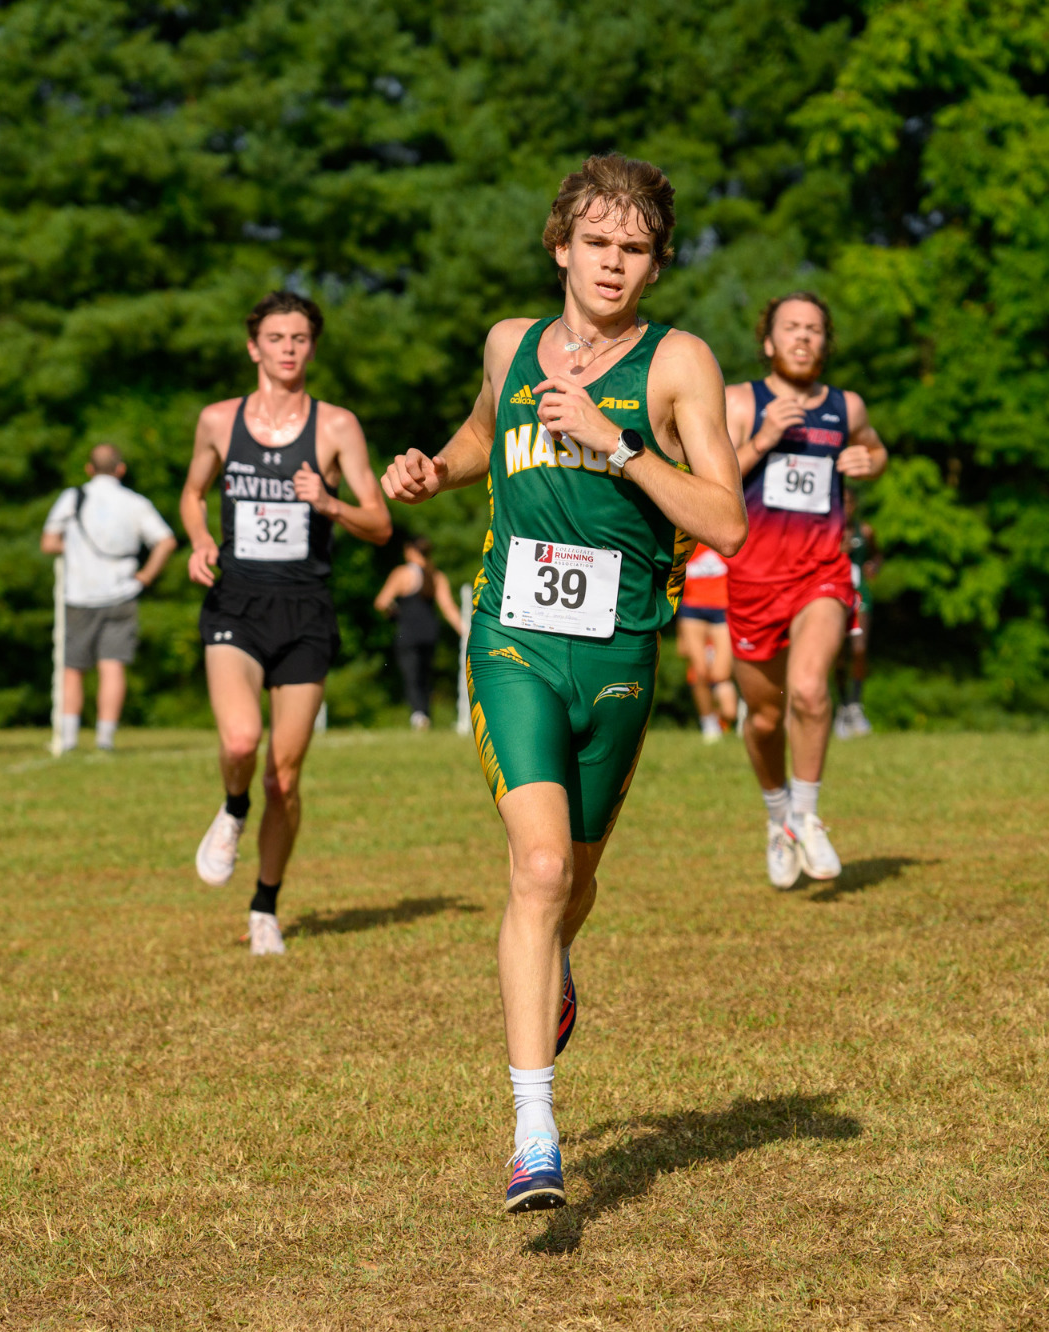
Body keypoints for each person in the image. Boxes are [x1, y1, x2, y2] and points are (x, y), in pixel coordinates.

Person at [380, 154, 747, 1214]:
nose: (613, 264)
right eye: (595, 243)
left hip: (621, 653)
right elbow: (481, 428)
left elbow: (722, 522)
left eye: (633, 249)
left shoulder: (678, 367)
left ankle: (551, 967)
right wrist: (430, 470)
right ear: (559, 246)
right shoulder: (511, 344)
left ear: (656, 262)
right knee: (536, 869)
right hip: (512, 639)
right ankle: (533, 1129)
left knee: (569, 887)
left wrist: (616, 442)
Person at [180, 291, 392, 956]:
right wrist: (197, 541)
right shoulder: (218, 420)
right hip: (236, 603)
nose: (289, 349)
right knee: (243, 742)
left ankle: (265, 904)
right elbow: (193, 493)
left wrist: (326, 502)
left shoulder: (336, 428)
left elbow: (380, 523)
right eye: (276, 338)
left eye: (300, 338)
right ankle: (233, 809)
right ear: (254, 347)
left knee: (285, 775)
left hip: (305, 611)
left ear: (312, 348)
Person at [724, 293, 887, 887]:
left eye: (815, 330)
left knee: (812, 690)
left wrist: (871, 461)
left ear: (826, 343)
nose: (803, 338)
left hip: (822, 570)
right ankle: (778, 821)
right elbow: (709, 480)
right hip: (753, 579)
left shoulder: (846, 405)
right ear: (768, 341)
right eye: (791, 328)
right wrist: (763, 439)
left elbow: (874, 446)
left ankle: (809, 815)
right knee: (765, 717)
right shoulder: (740, 402)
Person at [41, 444, 178, 752]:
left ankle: (70, 738)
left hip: (78, 593)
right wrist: (146, 575)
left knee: (72, 667)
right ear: (121, 469)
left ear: (89, 468)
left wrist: (76, 550)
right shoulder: (135, 502)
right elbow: (165, 541)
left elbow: (49, 542)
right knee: (113, 666)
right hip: (121, 592)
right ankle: (105, 738)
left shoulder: (72, 497)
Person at [373, 536, 465, 729]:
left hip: (408, 631)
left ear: (411, 551)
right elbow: (448, 609)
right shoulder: (436, 576)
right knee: (425, 675)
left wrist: (394, 612)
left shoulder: (402, 573)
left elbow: (381, 602)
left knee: (411, 675)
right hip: (430, 631)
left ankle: (418, 714)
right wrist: (467, 632)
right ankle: (425, 715)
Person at [674, 541, 738, 742]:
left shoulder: (726, 538)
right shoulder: (686, 539)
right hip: (692, 608)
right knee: (699, 671)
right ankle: (708, 723)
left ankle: (724, 718)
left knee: (721, 673)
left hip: (722, 607)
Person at [834, 489, 879, 739]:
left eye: (851, 503)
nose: (847, 508)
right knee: (838, 657)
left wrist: (874, 565)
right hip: (834, 596)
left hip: (860, 595)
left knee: (859, 648)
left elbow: (877, 555)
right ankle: (842, 706)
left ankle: (855, 705)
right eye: (843, 503)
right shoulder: (827, 531)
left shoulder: (867, 531)